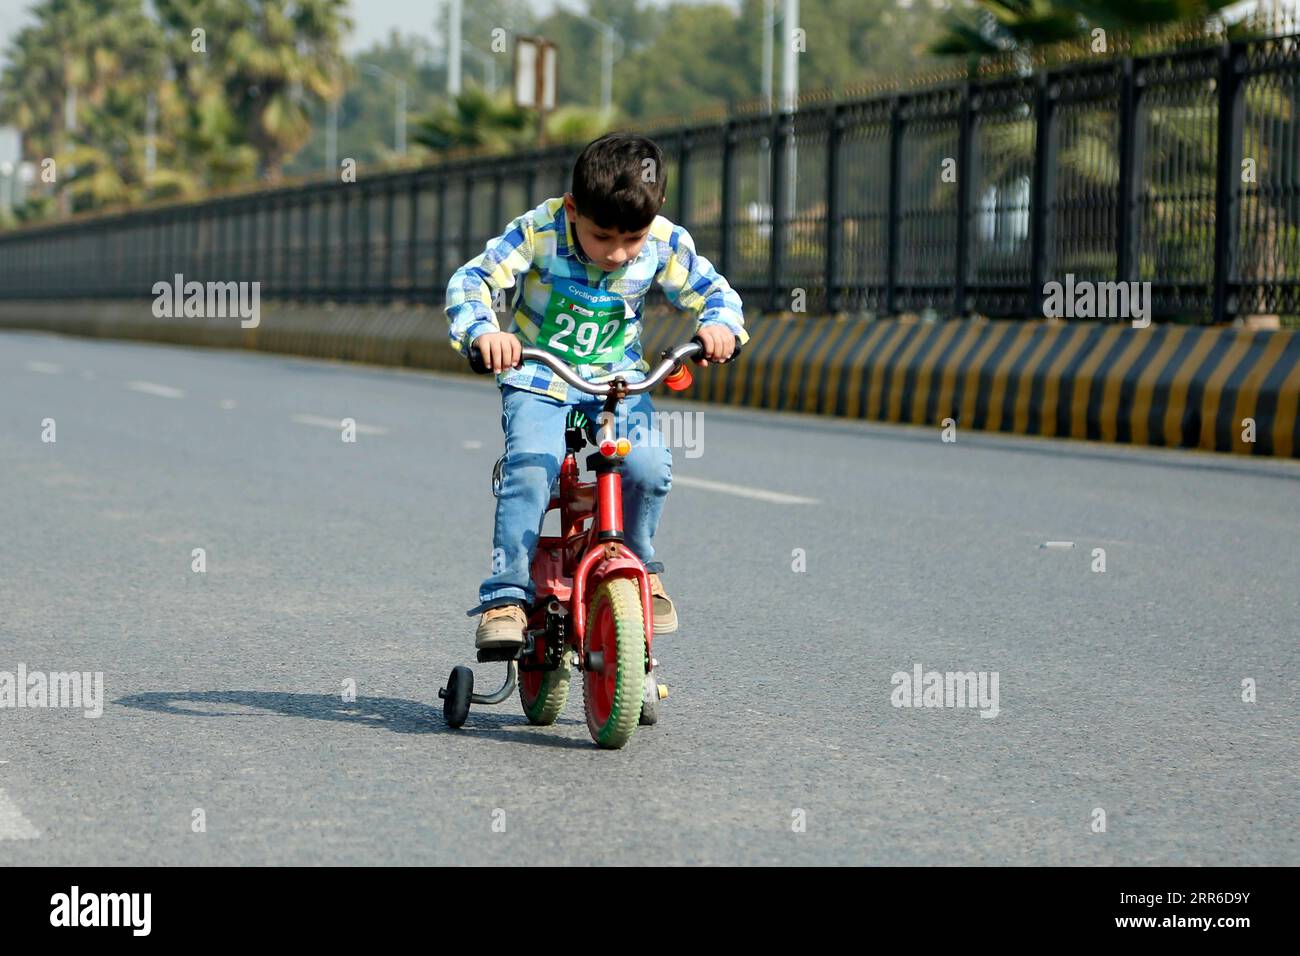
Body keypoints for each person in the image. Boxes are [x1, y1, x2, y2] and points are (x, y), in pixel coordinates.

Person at [445, 132, 748, 650]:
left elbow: (714, 291)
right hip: (538, 376)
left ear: (655, 215)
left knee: (649, 467)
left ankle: (638, 564)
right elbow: (472, 280)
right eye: (601, 236)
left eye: (631, 239)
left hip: (617, 380)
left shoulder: (661, 242)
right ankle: (505, 597)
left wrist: (720, 326)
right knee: (531, 468)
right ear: (572, 209)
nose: (617, 253)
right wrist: (484, 331)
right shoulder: (539, 231)